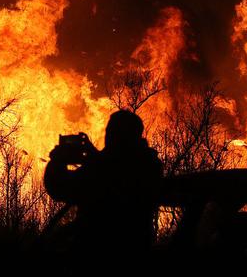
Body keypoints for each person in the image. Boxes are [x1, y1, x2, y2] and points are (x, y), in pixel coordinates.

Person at [44, 110, 163, 258]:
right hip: (136, 249)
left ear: (115, 136)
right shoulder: (149, 164)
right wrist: (95, 156)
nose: (108, 137)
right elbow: (117, 169)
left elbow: (60, 188)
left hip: (95, 251)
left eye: (110, 132)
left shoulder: (101, 169)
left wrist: (57, 161)